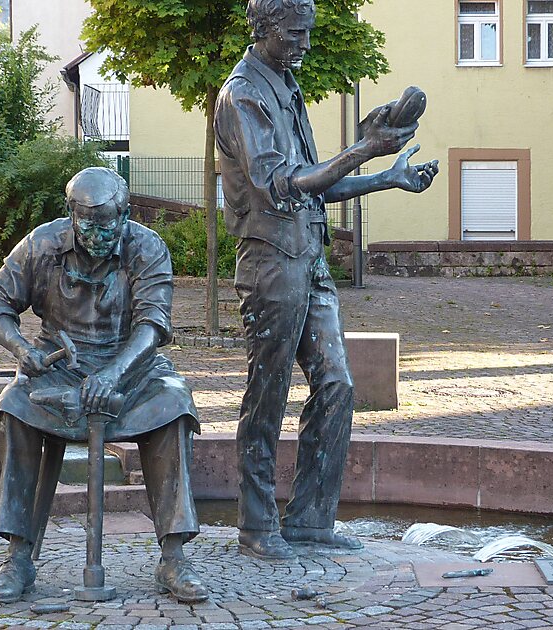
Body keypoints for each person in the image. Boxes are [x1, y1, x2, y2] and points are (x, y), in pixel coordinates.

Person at [215, 0, 439, 560]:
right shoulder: (243, 94)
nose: (306, 45)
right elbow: (280, 184)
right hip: (270, 261)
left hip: (308, 260)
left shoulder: (286, 88)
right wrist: (362, 148)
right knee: (267, 394)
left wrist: (386, 176)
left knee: (337, 385)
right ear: (265, 28)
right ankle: (257, 525)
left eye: (308, 33)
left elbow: (319, 185)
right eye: (296, 34)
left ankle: (311, 522)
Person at [0, 167, 208, 603]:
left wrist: (113, 373)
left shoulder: (147, 247)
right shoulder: (41, 244)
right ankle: (18, 556)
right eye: (88, 226)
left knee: (175, 404)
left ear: (126, 214)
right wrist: (20, 347)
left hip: (131, 368)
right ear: (71, 215)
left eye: (108, 226)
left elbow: (154, 323)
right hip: (59, 367)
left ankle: (173, 557)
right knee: (14, 406)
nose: (99, 236)